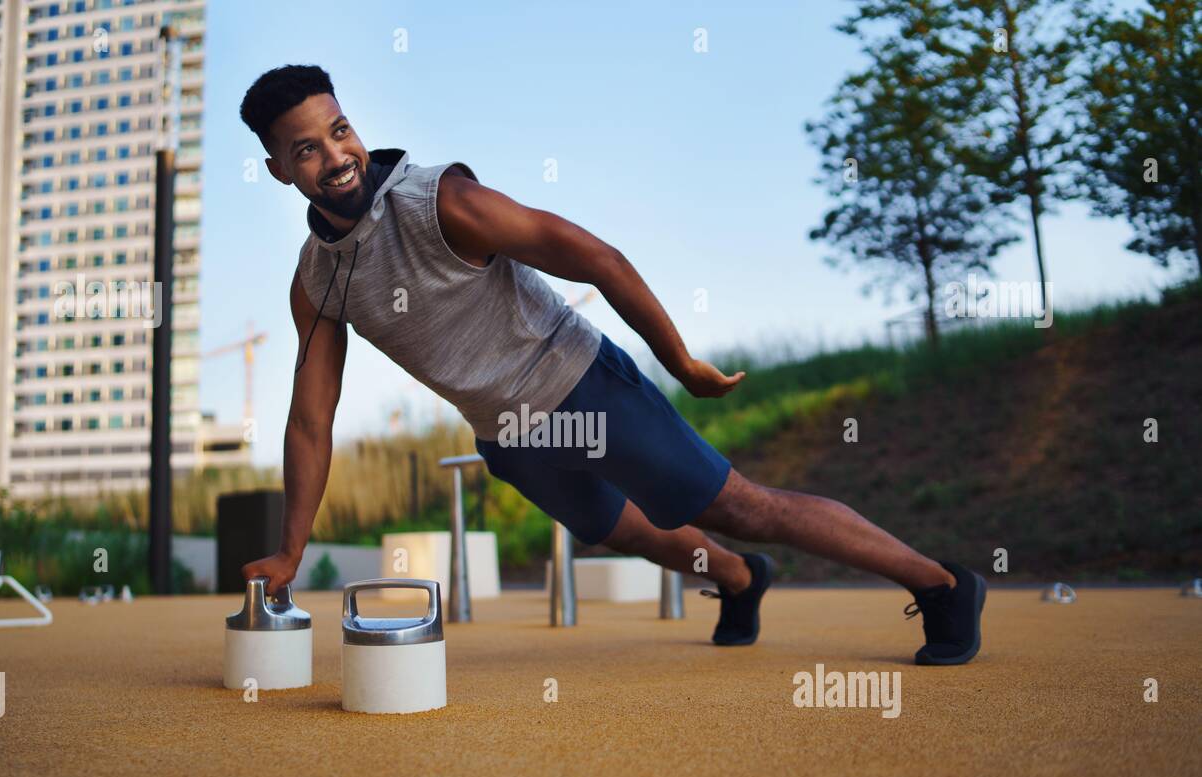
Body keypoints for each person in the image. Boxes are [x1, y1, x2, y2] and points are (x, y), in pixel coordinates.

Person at [236, 64, 985, 664]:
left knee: (740, 507)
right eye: (307, 148)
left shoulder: (442, 202)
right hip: (509, 434)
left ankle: (944, 584)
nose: (337, 156)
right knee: (621, 529)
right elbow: (311, 418)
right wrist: (292, 548)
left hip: (581, 383)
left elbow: (596, 257)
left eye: (340, 130)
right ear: (279, 170)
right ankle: (736, 577)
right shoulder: (318, 280)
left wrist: (681, 362)